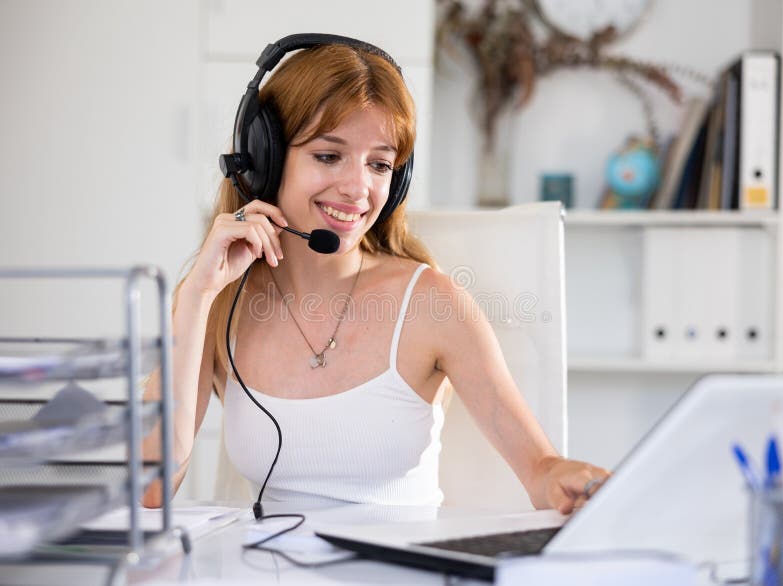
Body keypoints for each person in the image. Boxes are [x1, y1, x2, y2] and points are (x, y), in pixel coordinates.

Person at [142, 35, 609, 514]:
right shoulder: (220, 303)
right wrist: (197, 296)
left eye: (380, 164)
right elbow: (150, 493)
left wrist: (563, 477)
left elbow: (541, 471)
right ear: (264, 160)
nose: (357, 188)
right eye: (328, 156)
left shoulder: (433, 304)